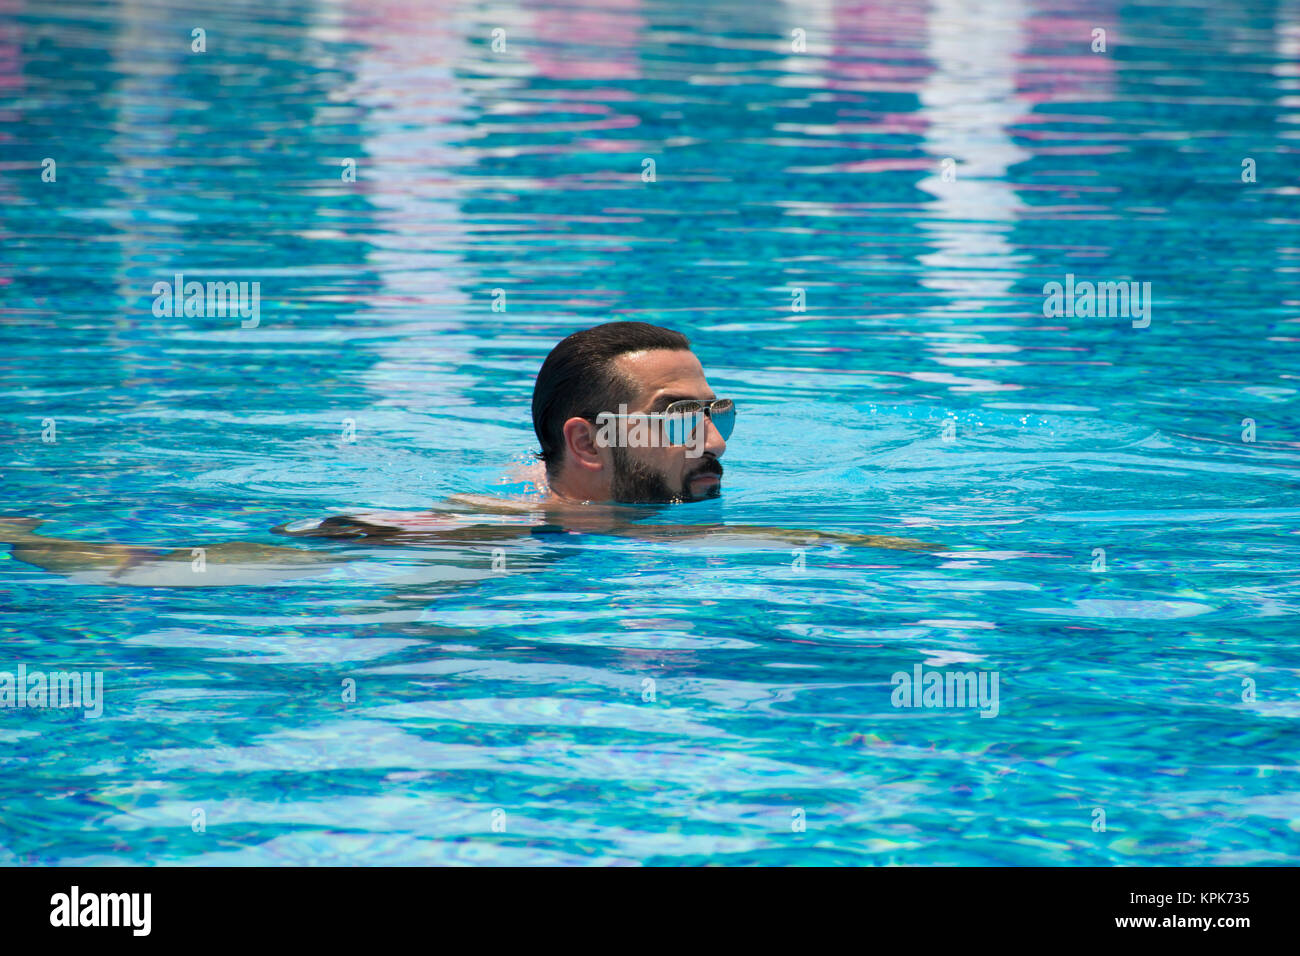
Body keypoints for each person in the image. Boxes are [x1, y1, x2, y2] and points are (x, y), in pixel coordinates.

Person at [0, 322, 931, 586]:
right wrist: (73, 554)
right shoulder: (474, 537)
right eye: (683, 416)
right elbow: (173, 573)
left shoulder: (649, 528)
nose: (717, 439)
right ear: (587, 442)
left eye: (718, 411)